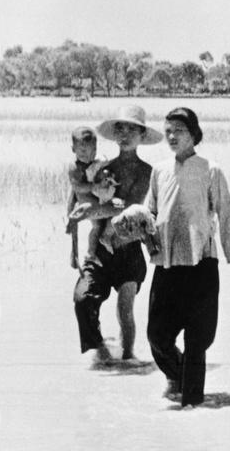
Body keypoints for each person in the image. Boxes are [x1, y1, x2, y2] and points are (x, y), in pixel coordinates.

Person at [143, 107, 230, 407]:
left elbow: (227, 215)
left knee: (197, 340)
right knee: (157, 336)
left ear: (194, 134)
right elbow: (149, 213)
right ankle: (178, 378)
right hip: (167, 262)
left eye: (179, 130)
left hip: (202, 263)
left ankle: (192, 404)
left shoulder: (210, 170)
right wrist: (140, 232)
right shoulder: (159, 171)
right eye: (168, 131)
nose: (172, 136)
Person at [70, 105, 161, 365]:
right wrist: (75, 235)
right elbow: (79, 197)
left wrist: (95, 210)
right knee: (82, 300)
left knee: (125, 310)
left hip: (129, 248)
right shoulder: (102, 168)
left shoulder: (147, 171)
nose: (125, 134)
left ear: (142, 135)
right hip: (100, 250)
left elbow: (130, 207)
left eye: (132, 129)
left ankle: (129, 357)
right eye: (120, 129)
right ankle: (102, 352)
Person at [65, 126, 108, 271]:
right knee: (97, 226)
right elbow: (77, 187)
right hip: (83, 201)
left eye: (92, 150)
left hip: (93, 199)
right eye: (83, 151)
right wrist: (92, 187)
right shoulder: (74, 167)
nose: (88, 155)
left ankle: (86, 252)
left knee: (103, 221)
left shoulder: (94, 163)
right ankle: (89, 253)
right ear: (73, 149)